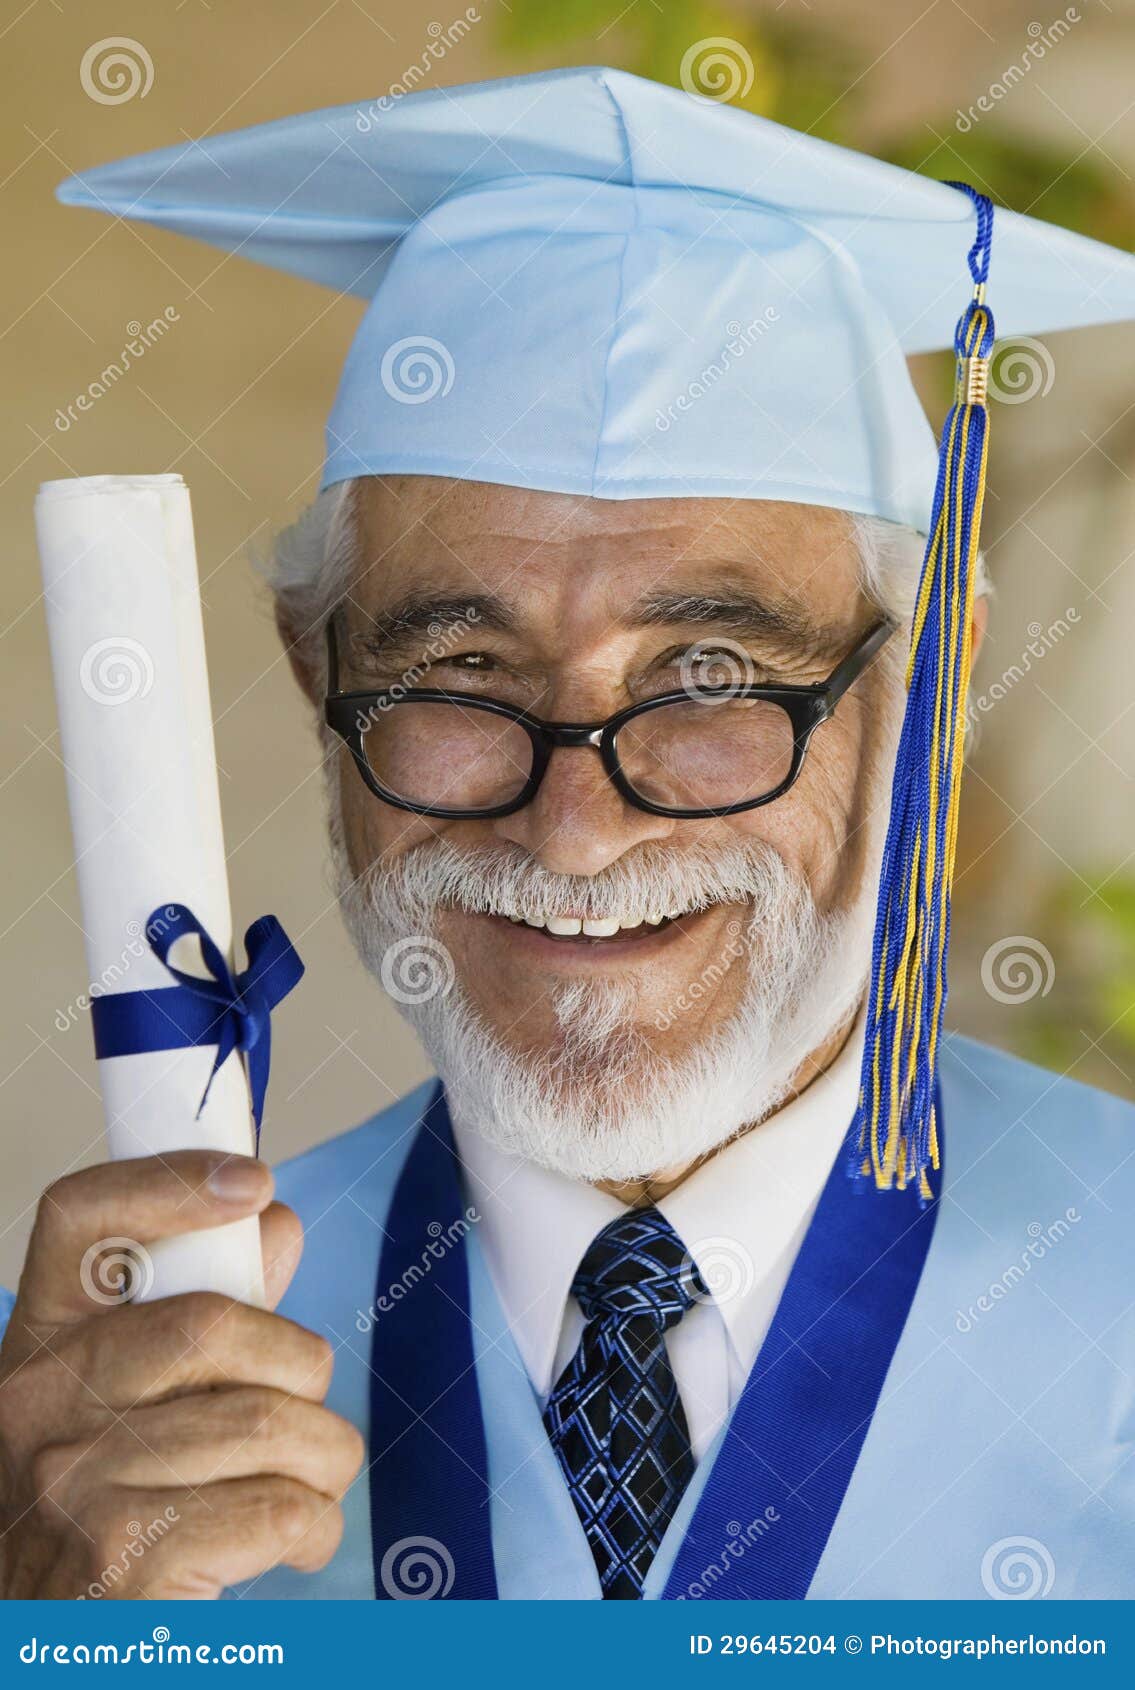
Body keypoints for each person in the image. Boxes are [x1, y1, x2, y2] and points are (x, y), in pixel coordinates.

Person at [1, 66, 1132, 1602]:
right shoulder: (88, 1428)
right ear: (315, 673)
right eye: (462, 673)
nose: (577, 833)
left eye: (709, 677)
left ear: (936, 672)